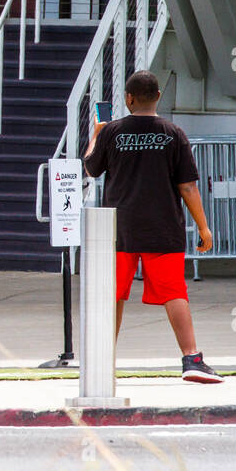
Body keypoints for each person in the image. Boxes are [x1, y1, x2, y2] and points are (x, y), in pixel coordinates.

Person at [83, 70, 220, 383]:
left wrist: (96, 133)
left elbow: (91, 168)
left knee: (112, 294)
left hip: (119, 230)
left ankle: (102, 362)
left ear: (128, 98)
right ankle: (192, 360)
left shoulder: (111, 132)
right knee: (174, 293)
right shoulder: (173, 133)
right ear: (158, 96)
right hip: (163, 227)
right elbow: (187, 187)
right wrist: (203, 227)